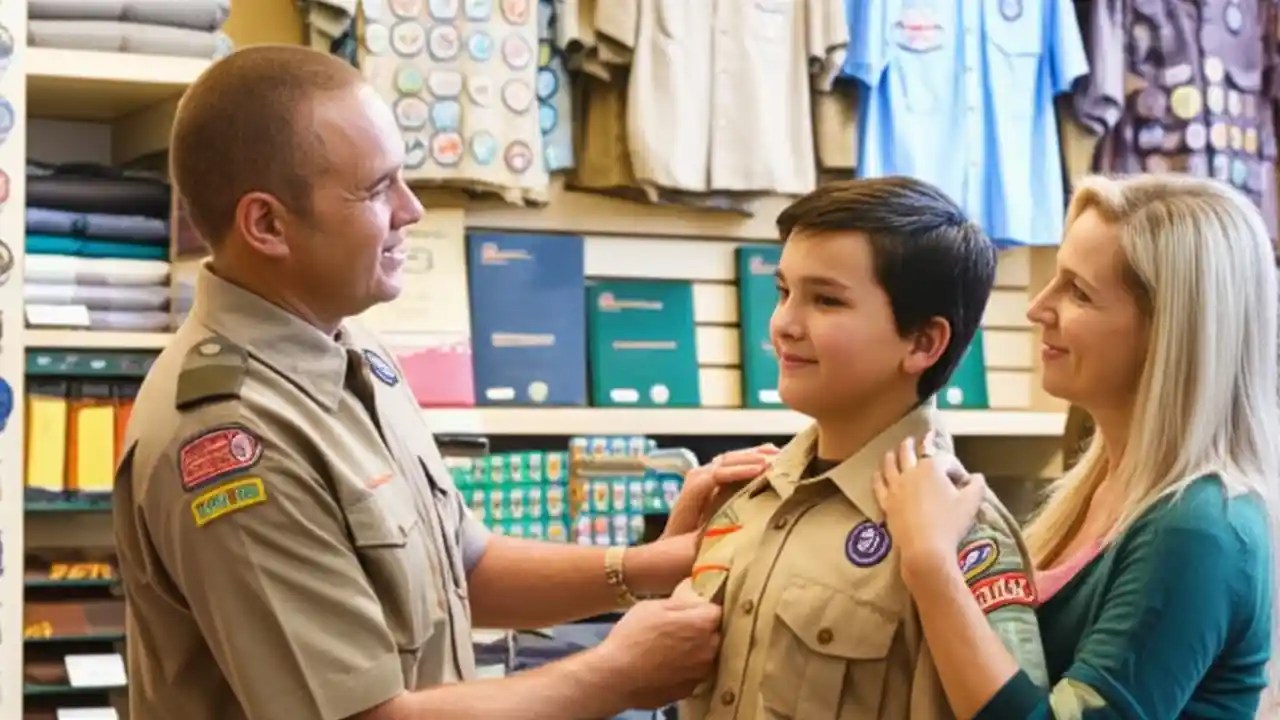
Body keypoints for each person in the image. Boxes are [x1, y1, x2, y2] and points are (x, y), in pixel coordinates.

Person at [111, 44, 748, 720]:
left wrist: (653, 566)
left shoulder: (350, 349)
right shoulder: (233, 436)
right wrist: (619, 674)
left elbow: (465, 568)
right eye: (375, 188)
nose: (411, 209)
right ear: (267, 224)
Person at [875, 174, 1279, 718]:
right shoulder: (1107, 490)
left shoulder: (1197, 529)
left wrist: (931, 564)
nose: (1038, 307)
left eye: (1078, 291)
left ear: (1168, 333)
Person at [681, 177, 1049, 720]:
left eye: (826, 300)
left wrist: (931, 566)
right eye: (784, 292)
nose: (784, 324)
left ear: (923, 343)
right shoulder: (748, 500)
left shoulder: (958, 527)